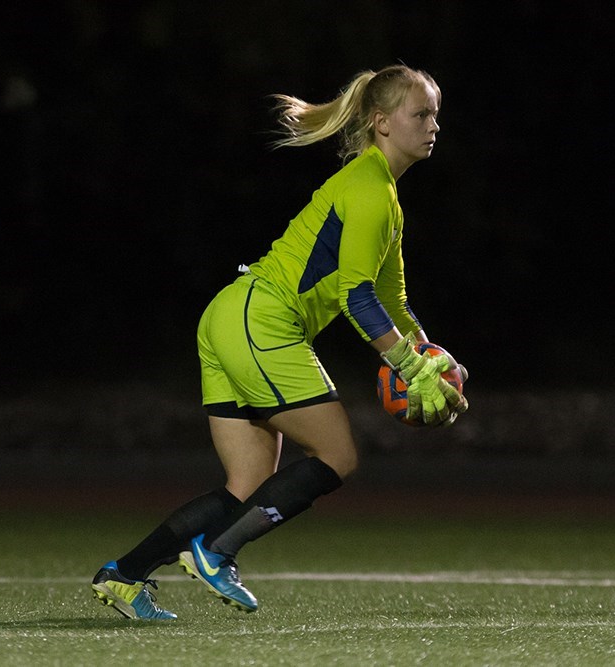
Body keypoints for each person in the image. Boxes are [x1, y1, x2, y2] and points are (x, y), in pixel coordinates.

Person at [91, 64, 469, 620]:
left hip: (231, 314)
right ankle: (217, 553)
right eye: (422, 114)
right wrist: (410, 366)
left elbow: (392, 298)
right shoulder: (369, 190)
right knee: (337, 456)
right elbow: (355, 296)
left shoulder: (381, 194)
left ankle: (124, 575)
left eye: (435, 113)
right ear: (383, 123)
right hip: (262, 324)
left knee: (247, 487)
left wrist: (436, 358)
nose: (434, 124)